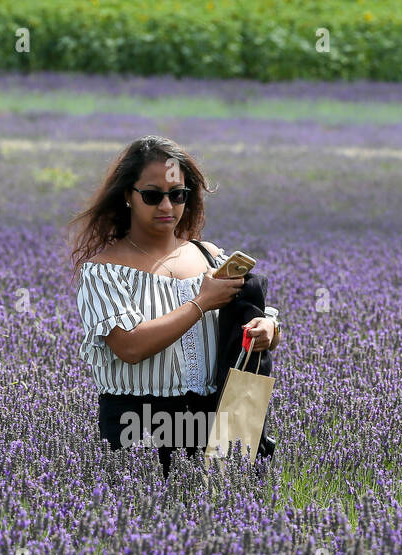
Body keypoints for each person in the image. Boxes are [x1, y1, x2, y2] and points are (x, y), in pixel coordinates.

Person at [70, 135, 280, 477]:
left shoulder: (209, 256)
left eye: (177, 195)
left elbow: (261, 318)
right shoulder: (103, 271)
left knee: (225, 520)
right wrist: (201, 303)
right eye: (152, 196)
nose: (167, 207)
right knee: (143, 521)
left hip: (218, 417)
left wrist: (268, 331)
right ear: (128, 196)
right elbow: (130, 345)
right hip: (139, 425)